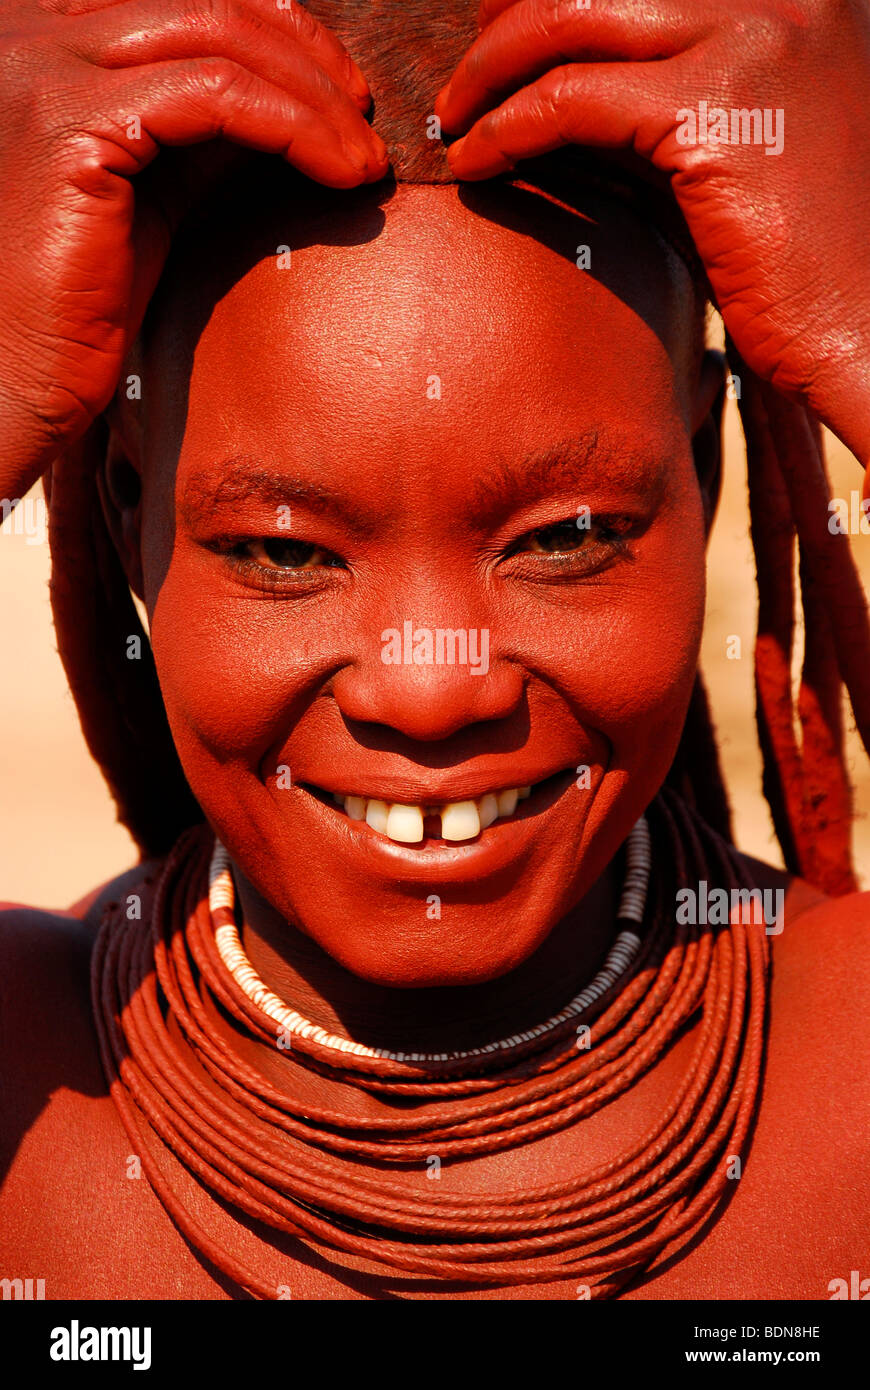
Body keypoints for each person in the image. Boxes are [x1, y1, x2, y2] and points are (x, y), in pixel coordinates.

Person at [0, 0, 867, 1300]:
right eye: (285, 552)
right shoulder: (32, 1078)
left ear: (701, 474)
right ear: (130, 513)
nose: (428, 683)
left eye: (564, 536)